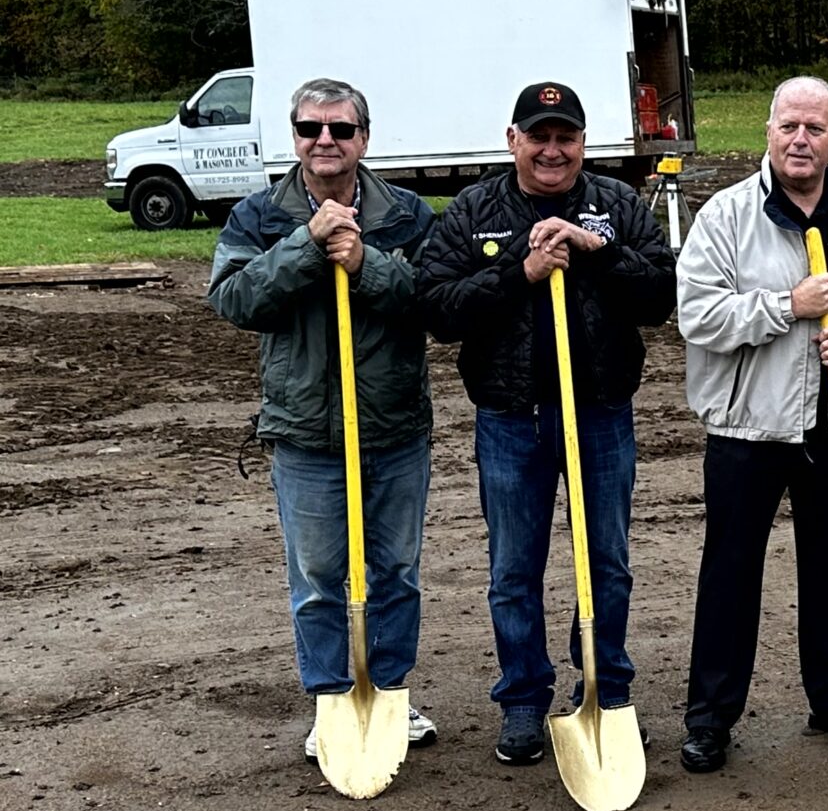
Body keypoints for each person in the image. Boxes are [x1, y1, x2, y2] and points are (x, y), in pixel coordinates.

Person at [415, 81, 677, 766]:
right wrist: (522, 272)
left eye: (566, 136)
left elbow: (660, 297)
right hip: (511, 419)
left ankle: (606, 690)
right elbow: (436, 308)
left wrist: (599, 251)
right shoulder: (476, 210)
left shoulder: (617, 204)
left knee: (608, 564)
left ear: (583, 144)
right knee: (513, 568)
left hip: (600, 413)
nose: (552, 149)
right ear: (514, 140)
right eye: (539, 135)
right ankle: (525, 701)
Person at [674, 76, 828, 774]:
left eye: (815, 127)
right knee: (730, 573)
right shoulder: (726, 217)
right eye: (789, 126)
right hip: (748, 430)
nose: (800, 139)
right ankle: (711, 716)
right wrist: (787, 305)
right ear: (768, 132)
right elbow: (698, 315)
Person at [207, 77, 439, 762]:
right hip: (306, 432)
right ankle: (333, 700)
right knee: (317, 577)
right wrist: (306, 247)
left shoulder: (406, 217)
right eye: (311, 129)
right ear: (295, 137)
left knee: (395, 569)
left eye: (340, 129)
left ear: (364, 138)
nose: (325, 141)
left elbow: (434, 299)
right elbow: (234, 299)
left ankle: (391, 692)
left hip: (393, 426)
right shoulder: (258, 216)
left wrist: (365, 262)